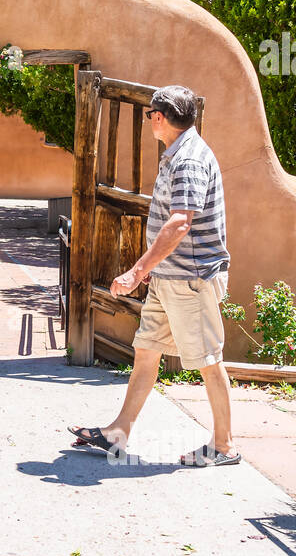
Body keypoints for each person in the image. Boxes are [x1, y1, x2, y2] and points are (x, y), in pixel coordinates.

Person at [68, 85, 238, 467]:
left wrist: (137, 270)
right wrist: (153, 269)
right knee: (146, 351)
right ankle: (118, 433)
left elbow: (180, 223)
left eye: (149, 115)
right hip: (171, 277)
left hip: (189, 278)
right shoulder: (178, 154)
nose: (149, 121)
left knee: (208, 358)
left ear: (159, 117)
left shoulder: (189, 160)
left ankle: (225, 446)